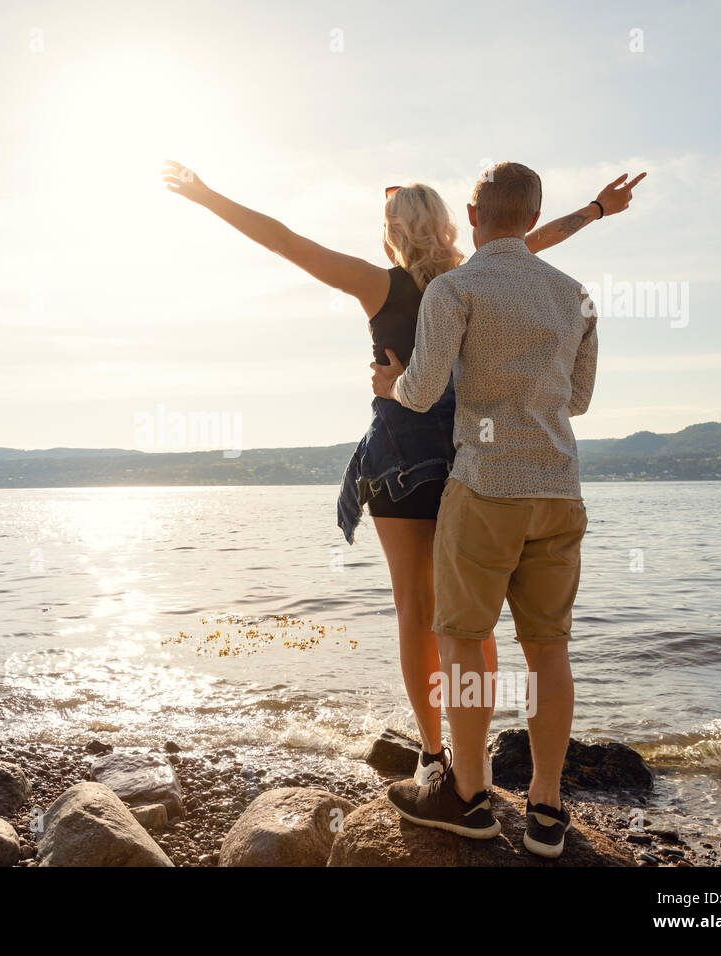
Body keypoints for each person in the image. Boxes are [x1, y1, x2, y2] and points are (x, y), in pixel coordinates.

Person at [162, 160, 641, 791]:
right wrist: (597, 211)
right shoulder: (480, 275)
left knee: (417, 610)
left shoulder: (376, 283)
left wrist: (204, 195)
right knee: (473, 622)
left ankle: (433, 753)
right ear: (451, 224)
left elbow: (285, 241)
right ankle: (483, 758)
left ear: (393, 230)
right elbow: (539, 237)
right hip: (474, 460)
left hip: (401, 459)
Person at [372, 161, 608, 858]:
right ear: (533, 220)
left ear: (472, 219)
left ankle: (467, 796)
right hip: (558, 490)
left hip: (483, 491)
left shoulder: (456, 287)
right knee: (548, 651)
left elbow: (421, 390)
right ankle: (545, 809)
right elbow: (580, 400)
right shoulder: (575, 295)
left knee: (462, 640)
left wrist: (390, 385)